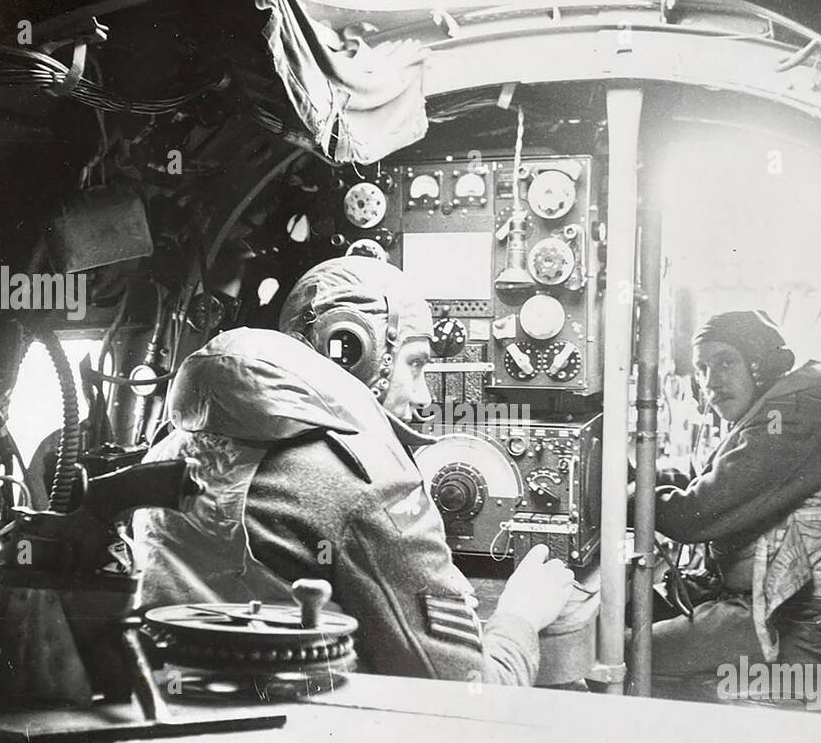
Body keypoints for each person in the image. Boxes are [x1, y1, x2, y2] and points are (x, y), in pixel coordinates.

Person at [132, 254, 575, 685]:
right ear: (358, 355)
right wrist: (520, 617)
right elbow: (470, 693)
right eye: (416, 363)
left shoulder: (166, 451)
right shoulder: (366, 485)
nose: (423, 398)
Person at [641, 310, 821, 715]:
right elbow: (720, 479)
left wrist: (630, 495)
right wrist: (648, 477)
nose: (710, 381)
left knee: (627, 658)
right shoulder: (782, 413)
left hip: (811, 627)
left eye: (726, 363)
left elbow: (695, 514)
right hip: (801, 613)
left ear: (761, 364)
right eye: (703, 368)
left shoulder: (787, 422)